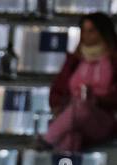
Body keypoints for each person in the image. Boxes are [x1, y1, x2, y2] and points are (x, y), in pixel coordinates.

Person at [41, 14, 117, 154]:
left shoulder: (113, 60)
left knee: (81, 106)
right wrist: (58, 106)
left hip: (102, 119)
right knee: (70, 140)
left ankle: (47, 140)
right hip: (71, 117)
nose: (86, 35)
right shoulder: (74, 60)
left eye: (91, 31)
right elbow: (58, 88)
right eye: (84, 30)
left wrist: (96, 100)